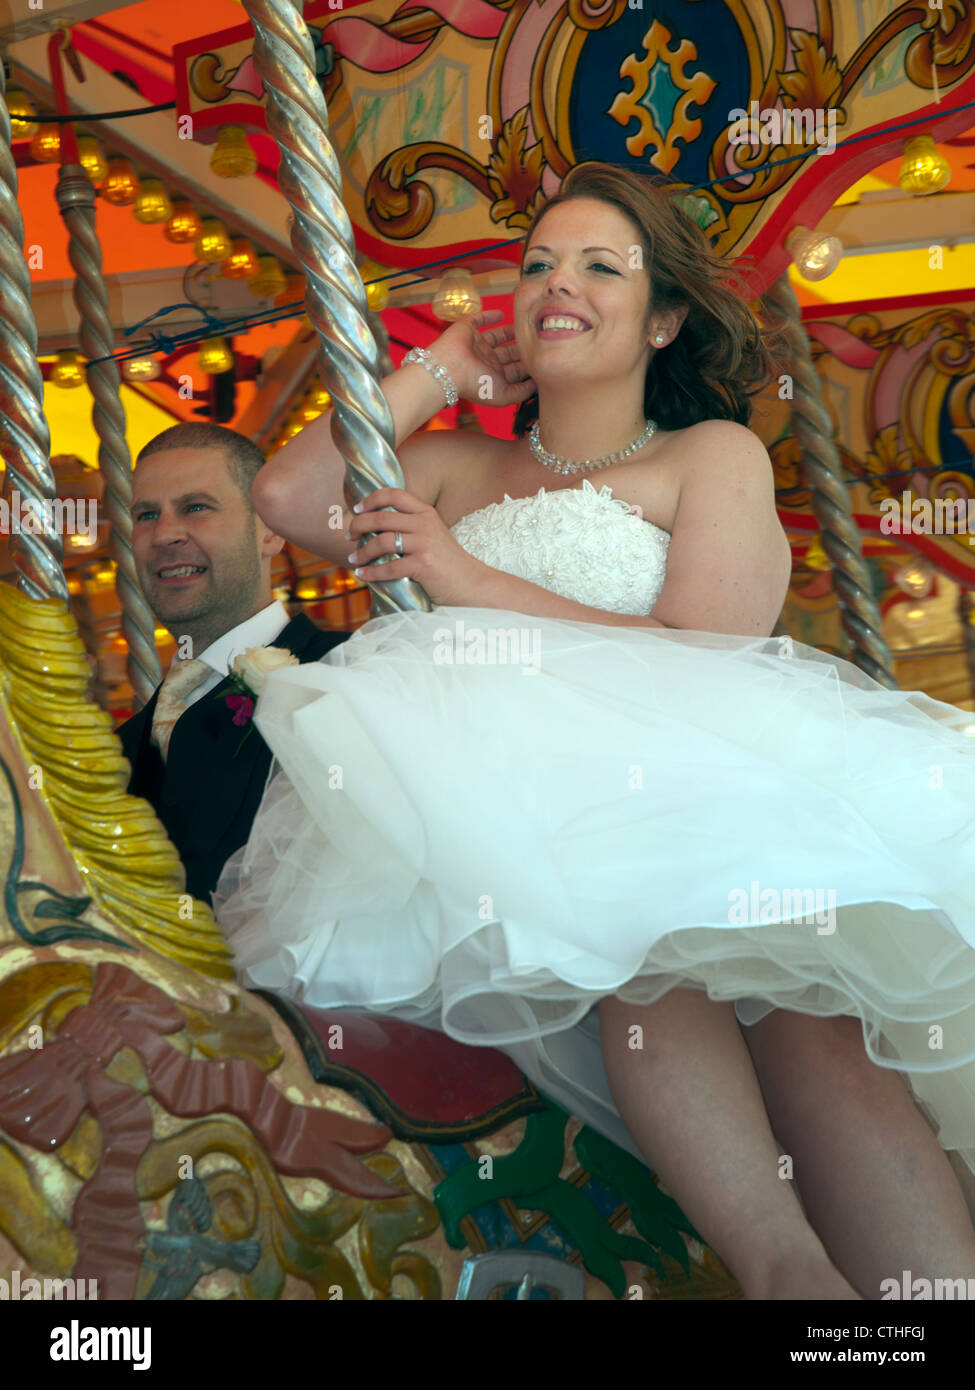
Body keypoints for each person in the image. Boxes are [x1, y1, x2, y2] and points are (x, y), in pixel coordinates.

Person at [213, 162, 975, 1300]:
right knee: (640, 964)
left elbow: (703, 645)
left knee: (814, 1031)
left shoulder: (704, 455)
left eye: (599, 266)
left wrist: (461, 573)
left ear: (665, 319)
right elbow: (288, 499)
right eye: (535, 265)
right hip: (521, 823)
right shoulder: (462, 468)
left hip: (693, 784)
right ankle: (788, 1278)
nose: (555, 284)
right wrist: (449, 362)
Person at [117, 423, 352, 902]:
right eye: (145, 515)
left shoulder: (348, 672)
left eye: (196, 507)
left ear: (270, 530)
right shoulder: (120, 747)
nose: (164, 534)